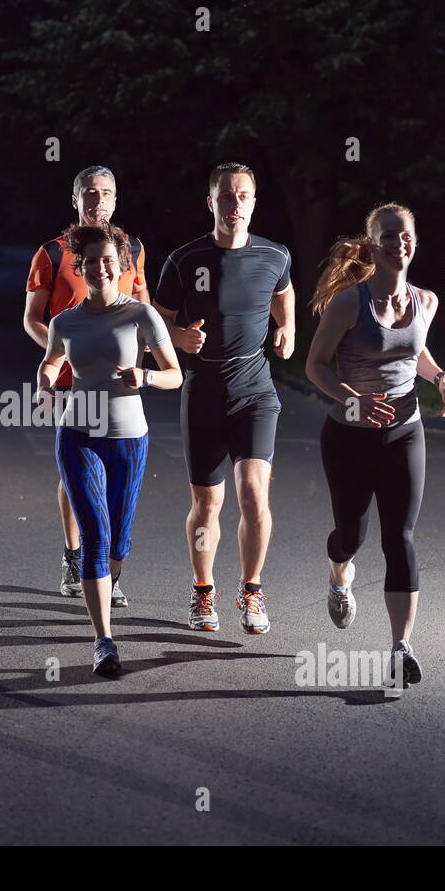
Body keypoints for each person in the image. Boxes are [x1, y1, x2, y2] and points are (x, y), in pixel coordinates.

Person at [304, 202, 445, 687]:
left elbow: (415, 351)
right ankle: (339, 573)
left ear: (415, 242)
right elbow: (315, 366)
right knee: (351, 536)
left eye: (406, 236)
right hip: (349, 436)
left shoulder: (427, 302)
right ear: (373, 245)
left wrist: (440, 377)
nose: (399, 244)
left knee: (401, 537)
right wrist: (354, 402)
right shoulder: (349, 303)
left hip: (404, 431)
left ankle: (400, 647)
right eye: (389, 236)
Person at [152, 163, 295, 635]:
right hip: (204, 391)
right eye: (226, 196)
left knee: (254, 494)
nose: (236, 205)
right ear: (210, 202)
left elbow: (284, 292)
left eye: (244, 196)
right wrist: (177, 338)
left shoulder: (274, 255)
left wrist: (287, 325)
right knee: (208, 504)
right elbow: (156, 320)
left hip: (255, 391)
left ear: (254, 201)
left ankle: (252, 591)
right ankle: (203, 592)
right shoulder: (184, 259)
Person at [37, 222, 181, 676]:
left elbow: (175, 373)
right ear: (81, 267)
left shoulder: (141, 315)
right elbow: (50, 362)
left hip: (128, 438)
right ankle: (104, 641)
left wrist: (147, 378)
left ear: (121, 267)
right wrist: (43, 384)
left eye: (110, 261)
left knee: (119, 538)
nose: (101, 268)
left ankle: (106, 580)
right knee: (95, 537)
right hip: (78, 433)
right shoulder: (66, 321)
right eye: (93, 261)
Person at [23, 165, 149, 602]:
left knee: (112, 474)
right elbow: (33, 319)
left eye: (106, 193)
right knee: (76, 469)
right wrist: (61, 356)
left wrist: (147, 356)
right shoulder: (52, 253)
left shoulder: (131, 248)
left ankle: (107, 567)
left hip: (115, 383)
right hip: (68, 381)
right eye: (89, 193)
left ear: (115, 200)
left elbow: (141, 308)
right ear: (75, 199)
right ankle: (74, 556)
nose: (98, 201)